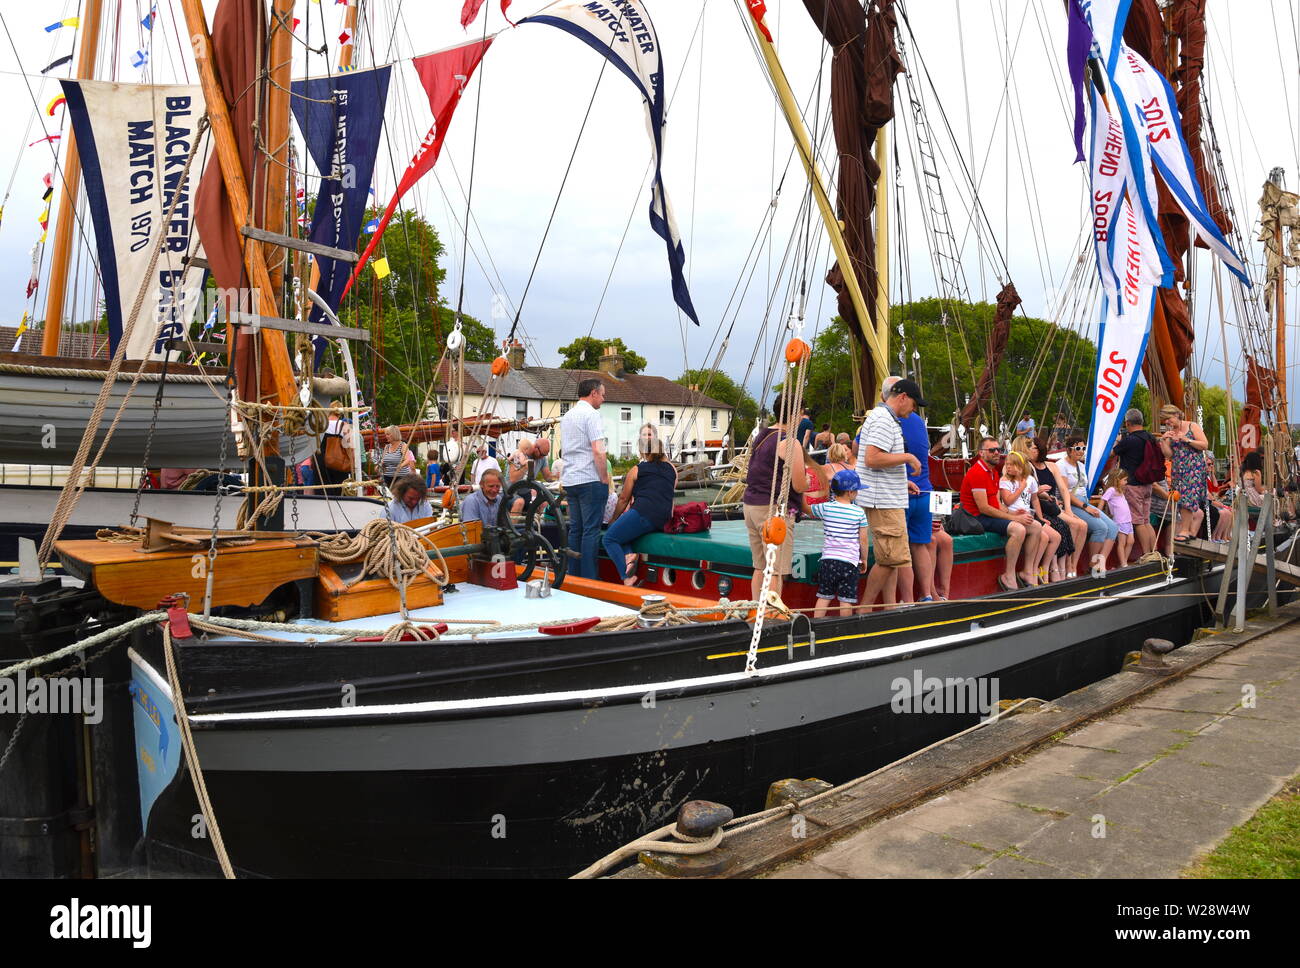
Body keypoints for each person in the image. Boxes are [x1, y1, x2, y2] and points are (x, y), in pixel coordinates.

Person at [878, 375, 953, 602]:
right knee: (922, 544)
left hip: (902, 493)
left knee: (901, 552)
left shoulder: (886, 419)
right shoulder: (919, 422)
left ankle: (908, 600)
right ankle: (929, 595)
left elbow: (861, 451)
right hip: (925, 491)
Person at [855, 378, 925, 609]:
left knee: (891, 558)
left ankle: (890, 606)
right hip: (883, 501)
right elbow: (872, 458)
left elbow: (871, 461)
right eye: (914, 404)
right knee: (891, 557)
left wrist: (900, 480)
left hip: (884, 495)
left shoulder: (882, 418)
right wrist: (907, 457)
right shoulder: (884, 420)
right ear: (903, 397)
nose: (914, 410)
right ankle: (865, 609)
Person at [742, 392, 810, 608]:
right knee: (775, 569)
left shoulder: (762, 435)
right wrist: (808, 481)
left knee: (760, 566)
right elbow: (799, 485)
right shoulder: (790, 443)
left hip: (751, 505)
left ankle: (756, 610)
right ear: (797, 414)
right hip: (772, 510)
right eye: (802, 414)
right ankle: (770, 615)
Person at [960, 437, 1039, 592]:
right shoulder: (977, 472)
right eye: (992, 450)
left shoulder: (993, 472)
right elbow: (984, 508)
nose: (997, 453)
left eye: (999, 450)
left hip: (989, 515)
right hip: (976, 518)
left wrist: (1013, 511)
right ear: (981, 453)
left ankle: (1027, 571)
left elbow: (997, 504)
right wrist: (1015, 518)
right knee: (1019, 529)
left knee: (1035, 527)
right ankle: (1008, 575)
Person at [603, 434, 677, 585]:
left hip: (643, 513)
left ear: (644, 453)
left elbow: (623, 499)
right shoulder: (672, 470)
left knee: (610, 538)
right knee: (625, 534)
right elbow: (669, 494)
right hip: (663, 519)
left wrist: (614, 519)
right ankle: (629, 556)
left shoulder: (637, 469)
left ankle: (627, 578)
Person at [560, 378, 611, 580]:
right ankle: (590, 579)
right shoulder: (592, 415)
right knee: (591, 531)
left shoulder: (568, 416)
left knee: (576, 530)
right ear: (593, 393)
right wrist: (604, 478)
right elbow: (598, 450)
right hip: (590, 479)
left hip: (571, 479)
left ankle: (574, 577)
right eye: (603, 394)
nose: (603, 399)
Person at [1013, 435, 1082, 579]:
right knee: (1058, 530)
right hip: (1024, 512)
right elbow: (1021, 496)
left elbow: (1036, 497)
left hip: (1039, 509)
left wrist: (1047, 498)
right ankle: (1039, 569)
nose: (1034, 451)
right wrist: (1038, 494)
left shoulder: (1030, 471)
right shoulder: (1021, 471)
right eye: (1031, 447)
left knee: (1063, 529)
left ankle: (1059, 566)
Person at [806, 469, 869, 617]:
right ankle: (844, 629)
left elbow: (807, 509)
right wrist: (864, 559)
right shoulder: (859, 512)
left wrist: (803, 491)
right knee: (845, 600)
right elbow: (863, 540)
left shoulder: (826, 508)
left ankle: (816, 626)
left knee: (823, 596)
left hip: (828, 561)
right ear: (850, 492)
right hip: (849, 562)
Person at [1056, 436, 1118, 573]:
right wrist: (1086, 507)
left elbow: (1084, 489)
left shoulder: (1081, 466)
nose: (1081, 451)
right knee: (1100, 528)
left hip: (1084, 501)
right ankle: (1092, 564)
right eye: (1078, 448)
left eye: (1083, 448)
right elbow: (1065, 492)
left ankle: (1099, 563)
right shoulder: (1061, 465)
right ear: (1069, 450)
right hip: (1072, 504)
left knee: (1113, 527)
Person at [998, 451, 1055, 584]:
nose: (1008, 467)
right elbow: (1007, 501)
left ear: (1021, 466)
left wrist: (1040, 518)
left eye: (1012, 465)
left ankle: (1029, 569)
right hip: (1009, 515)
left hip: (1026, 515)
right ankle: (1021, 572)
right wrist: (1021, 487)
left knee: (1037, 529)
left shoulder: (1030, 480)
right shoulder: (1005, 480)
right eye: (1007, 465)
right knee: (1036, 531)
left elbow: (1034, 499)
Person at [1110, 408, 1158, 557]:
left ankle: (1146, 555)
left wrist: (1117, 441)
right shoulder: (1150, 437)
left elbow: (1112, 453)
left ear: (1127, 423)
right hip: (1148, 484)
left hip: (1133, 485)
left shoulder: (1129, 440)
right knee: (1146, 520)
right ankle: (1154, 552)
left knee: (1138, 522)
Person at [1157, 404, 1209, 540]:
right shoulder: (1170, 433)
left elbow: (1204, 445)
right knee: (1179, 498)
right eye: (1165, 421)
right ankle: (1190, 531)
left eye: (1168, 419)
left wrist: (1187, 439)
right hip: (1178, 469)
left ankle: (1185, 531)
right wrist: (1164, 441)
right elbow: (1169, 455)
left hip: (1193, 468)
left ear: (1176, 415)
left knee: (1188, 498)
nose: (1167, 422)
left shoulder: (1192, 426)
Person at [1097, 468, 1135, 566]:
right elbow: (1103, 499)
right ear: (1117, 479)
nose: (1126, 482)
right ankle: (1123, 563)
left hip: (1128, 520)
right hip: (1120, 520)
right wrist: (1098, 512)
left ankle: (1124, 561)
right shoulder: (1111, 490)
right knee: (1122, 543)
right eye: (1125, 480)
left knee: (1131, 541)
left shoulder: (1121, 491)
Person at [315, 401, 355, 491]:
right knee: (338, 489)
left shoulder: (321, 424)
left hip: (320, 461)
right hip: (337, 461)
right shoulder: (344, 425)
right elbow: (349, 446)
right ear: (340, 412)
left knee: (321, 489)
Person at [378, 425, 417, 489]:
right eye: (386, 434)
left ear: (394, 434)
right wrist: (379, 466)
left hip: (401, 478)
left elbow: (408, 460)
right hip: (387, 477)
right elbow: (383, 461)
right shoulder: (387, 447)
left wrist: (401, 465)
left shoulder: (403, 445)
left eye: (388, 434)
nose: (386, 436)